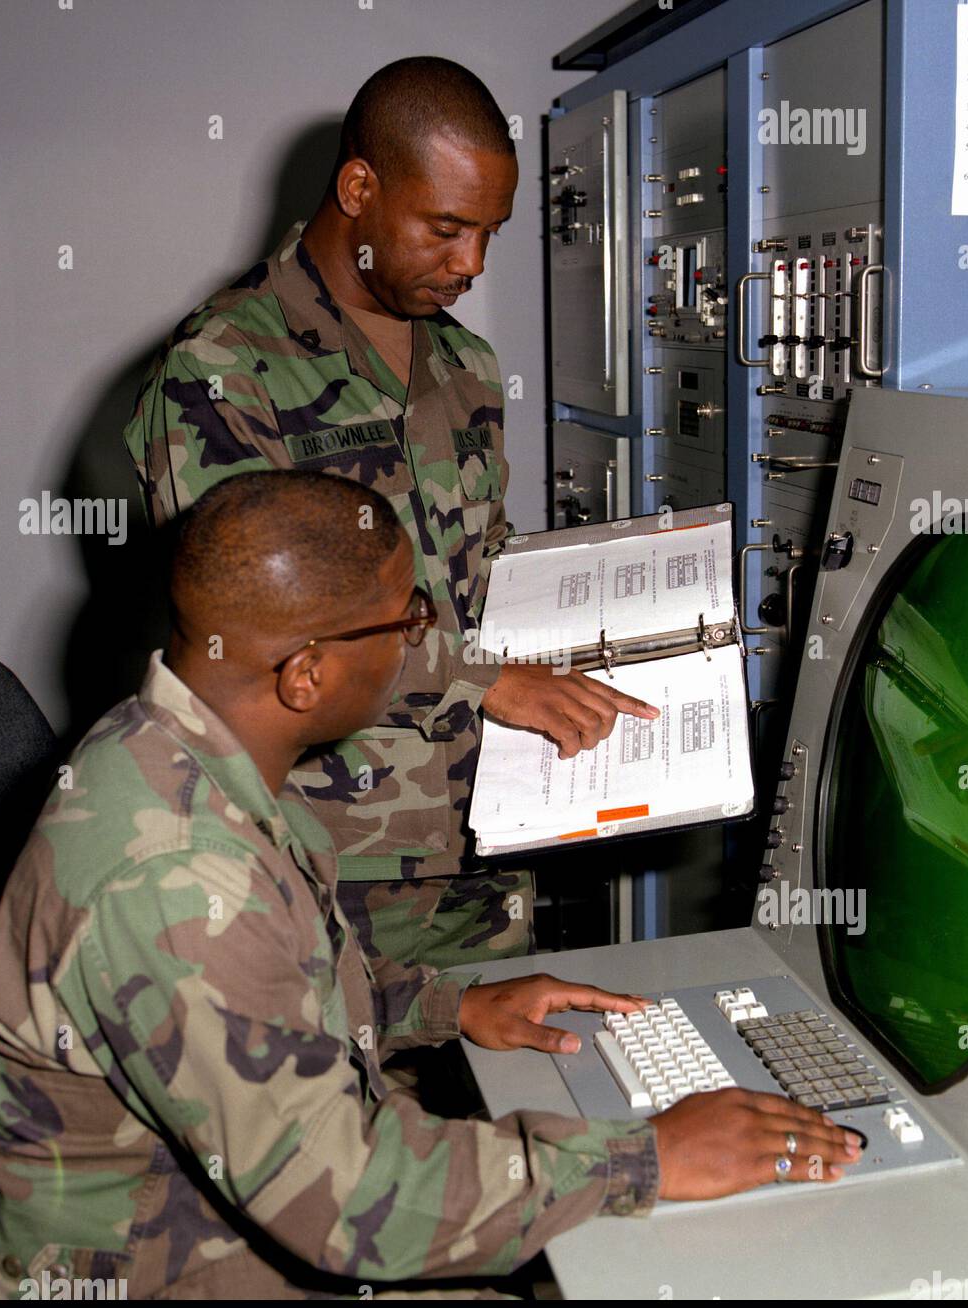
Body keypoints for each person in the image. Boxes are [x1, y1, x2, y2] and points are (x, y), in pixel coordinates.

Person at [0, 473, 862, 1301]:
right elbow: (346, 1204)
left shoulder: (170, 744)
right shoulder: (174, 872)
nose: (420, 643)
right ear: (306, 674)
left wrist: (447, 1005)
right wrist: (647, 1158)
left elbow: (272, 995)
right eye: (404, 622)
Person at [122, 55, 658, 973]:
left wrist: (598, 611)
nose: (472, 265)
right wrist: (489, 681)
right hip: (321, 866)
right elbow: (260, 626)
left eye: (490, 233)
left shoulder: (467, 367)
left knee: (500, 1100)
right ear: (360, 187)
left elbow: (478, 559)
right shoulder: (224, 369)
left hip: (485, 841)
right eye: (447, 229)